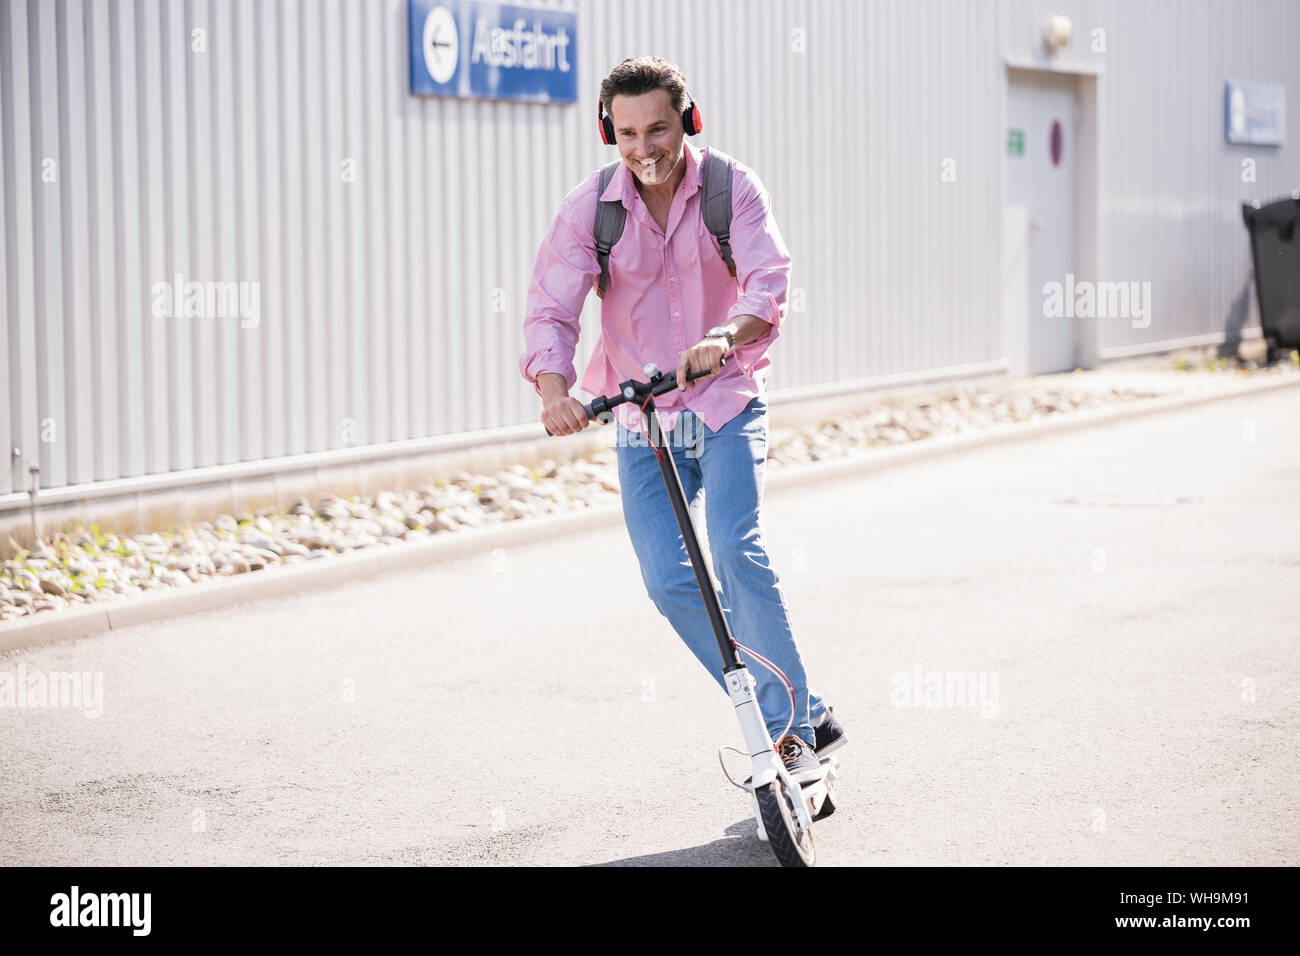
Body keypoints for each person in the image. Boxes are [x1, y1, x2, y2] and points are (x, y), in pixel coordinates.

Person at [518, 55, 844, 780]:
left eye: (658, 128)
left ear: (687, 120)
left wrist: (724, 337)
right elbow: (551, 308)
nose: (644, 148)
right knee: (669, 579)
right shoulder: (591, 209)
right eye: (627, 133)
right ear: (610, 131)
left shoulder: (732, 188)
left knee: (732, 549)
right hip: (643, 421)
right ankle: (793, 708)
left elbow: (768, 283)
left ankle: (792, 731)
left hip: (725, 402)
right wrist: (553, 392)